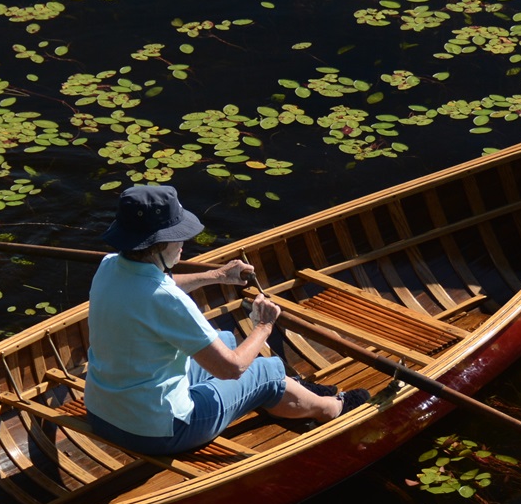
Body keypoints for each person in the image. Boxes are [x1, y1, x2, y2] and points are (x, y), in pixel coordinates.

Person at [83, 184, 368, 456]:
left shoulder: (109, 266)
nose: (183, 243)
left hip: (101, 413)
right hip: (161, 432)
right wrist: (264, 325)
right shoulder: (166, 299)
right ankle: (329, 408)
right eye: (178, 235)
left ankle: (285, 390)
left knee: (224, 339)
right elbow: (231, 368)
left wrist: (218, 275)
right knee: (264, 370)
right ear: (159, 244)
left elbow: (159, 283)